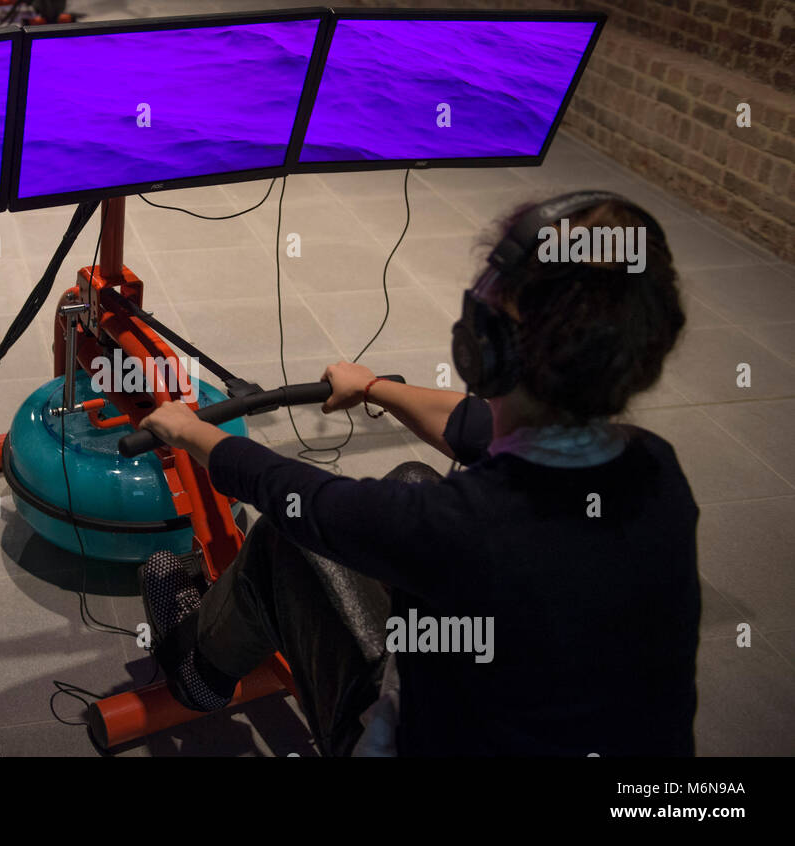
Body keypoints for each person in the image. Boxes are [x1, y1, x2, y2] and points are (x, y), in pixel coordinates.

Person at [137, 191, 700, 757]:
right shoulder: (658, 469)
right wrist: (375, 388)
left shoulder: (459, 526)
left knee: (284, 537)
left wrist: (188, 431)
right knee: (410, 474)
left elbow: (298, 495)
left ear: (484, 345)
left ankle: (198, 672)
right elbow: (476, 425)